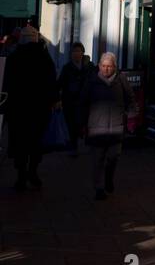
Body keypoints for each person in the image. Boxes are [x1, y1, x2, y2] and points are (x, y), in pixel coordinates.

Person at [1, 24, 58, 191]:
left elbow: (7, 83)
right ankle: (33, 171)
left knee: (19, 142)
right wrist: (54, 99)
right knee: (36, 142)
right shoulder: (44, 56)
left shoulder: (14, 57)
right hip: (40, 109)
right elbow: (51, 80)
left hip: (18, 109)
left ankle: (21, 175)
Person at [81, 53, 133, 200]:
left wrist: (130, 115)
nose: (106, 69)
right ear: (99, 66)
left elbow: (131, 99)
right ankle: (99, 187)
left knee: (113, 157)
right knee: (97, 160)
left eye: (109, 66)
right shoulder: (92, 81)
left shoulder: (121, 79)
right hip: (96, 127)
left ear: (114, 67)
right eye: (103, 66)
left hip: (116, 127)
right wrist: (82, 123)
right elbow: (83, 102)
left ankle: (109, 178)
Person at [57, 42, 96, 158]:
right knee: (71, 125)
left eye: (78, 51)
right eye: (74, 52)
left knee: (85, 123)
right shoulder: (67, 68)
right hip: (70, 101)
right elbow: (60, 83)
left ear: (83, 52)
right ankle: (74, 147)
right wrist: (57, 98)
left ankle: (87, 142)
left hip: (85, 101)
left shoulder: (89, 66)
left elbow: (95, 79)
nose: (76, 54)